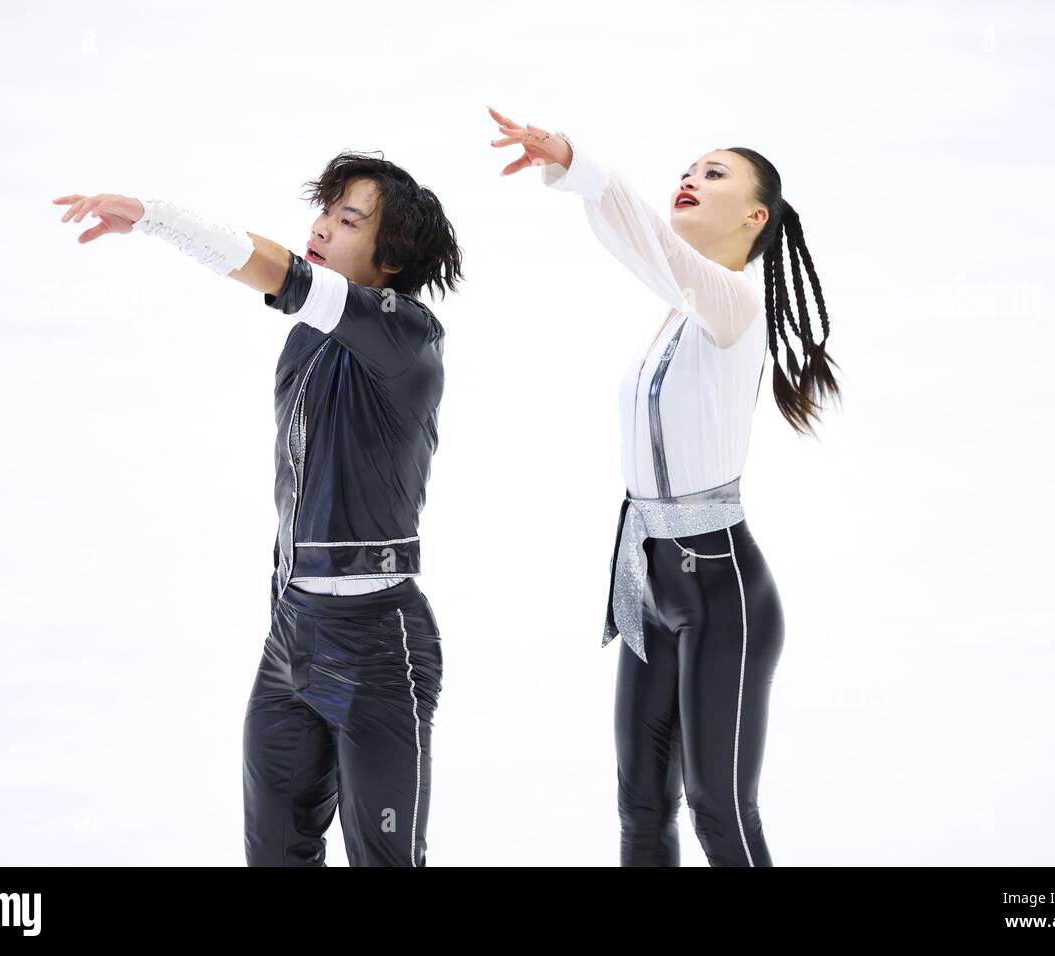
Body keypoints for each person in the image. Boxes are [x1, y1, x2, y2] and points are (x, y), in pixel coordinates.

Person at [51, 148, 463, 867]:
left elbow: (275, 269)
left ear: (391, 255)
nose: (323, 228)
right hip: (292, 639)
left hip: (378, 647)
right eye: (325, 212)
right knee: (273, 850)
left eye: (348, 218)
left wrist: (153, 216)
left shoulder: (405, 333)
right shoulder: (308, 337)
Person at [488, 106, 840, 866]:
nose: (689, 179)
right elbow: (641, 247)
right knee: (643, 807)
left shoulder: (733, 303)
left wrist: (579, 164)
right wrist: (578, 181)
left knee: (720, 809)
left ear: (755, 216)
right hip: (649, 579)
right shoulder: (680, 312)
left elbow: (646, 245)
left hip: (722, 591)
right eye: (685, 170)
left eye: (712, 174)